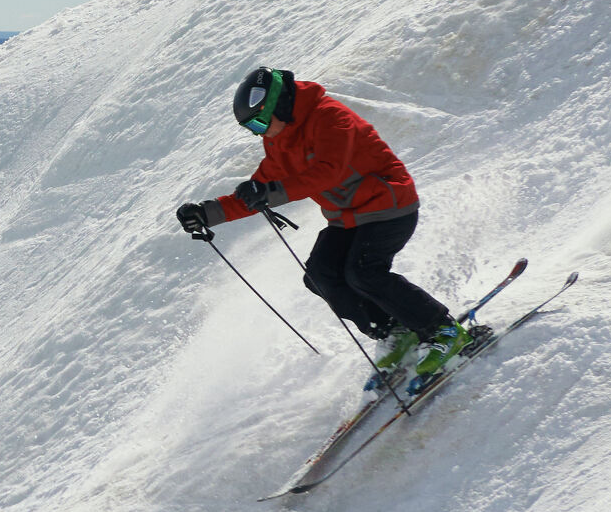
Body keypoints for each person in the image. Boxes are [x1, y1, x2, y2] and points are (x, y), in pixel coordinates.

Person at [174, 67, 469, 380]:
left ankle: (444, 330)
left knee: (363, 272)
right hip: (347, 219)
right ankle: (393, 329)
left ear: (279, 103)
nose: (258, 133)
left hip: (389, 206)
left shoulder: (329, 118)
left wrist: (269, 193)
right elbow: (260, 187)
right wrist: (207, 214)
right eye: (250, 128)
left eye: (259, 122)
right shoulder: (279, 140)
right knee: (320, 275)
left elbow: (328, 172)